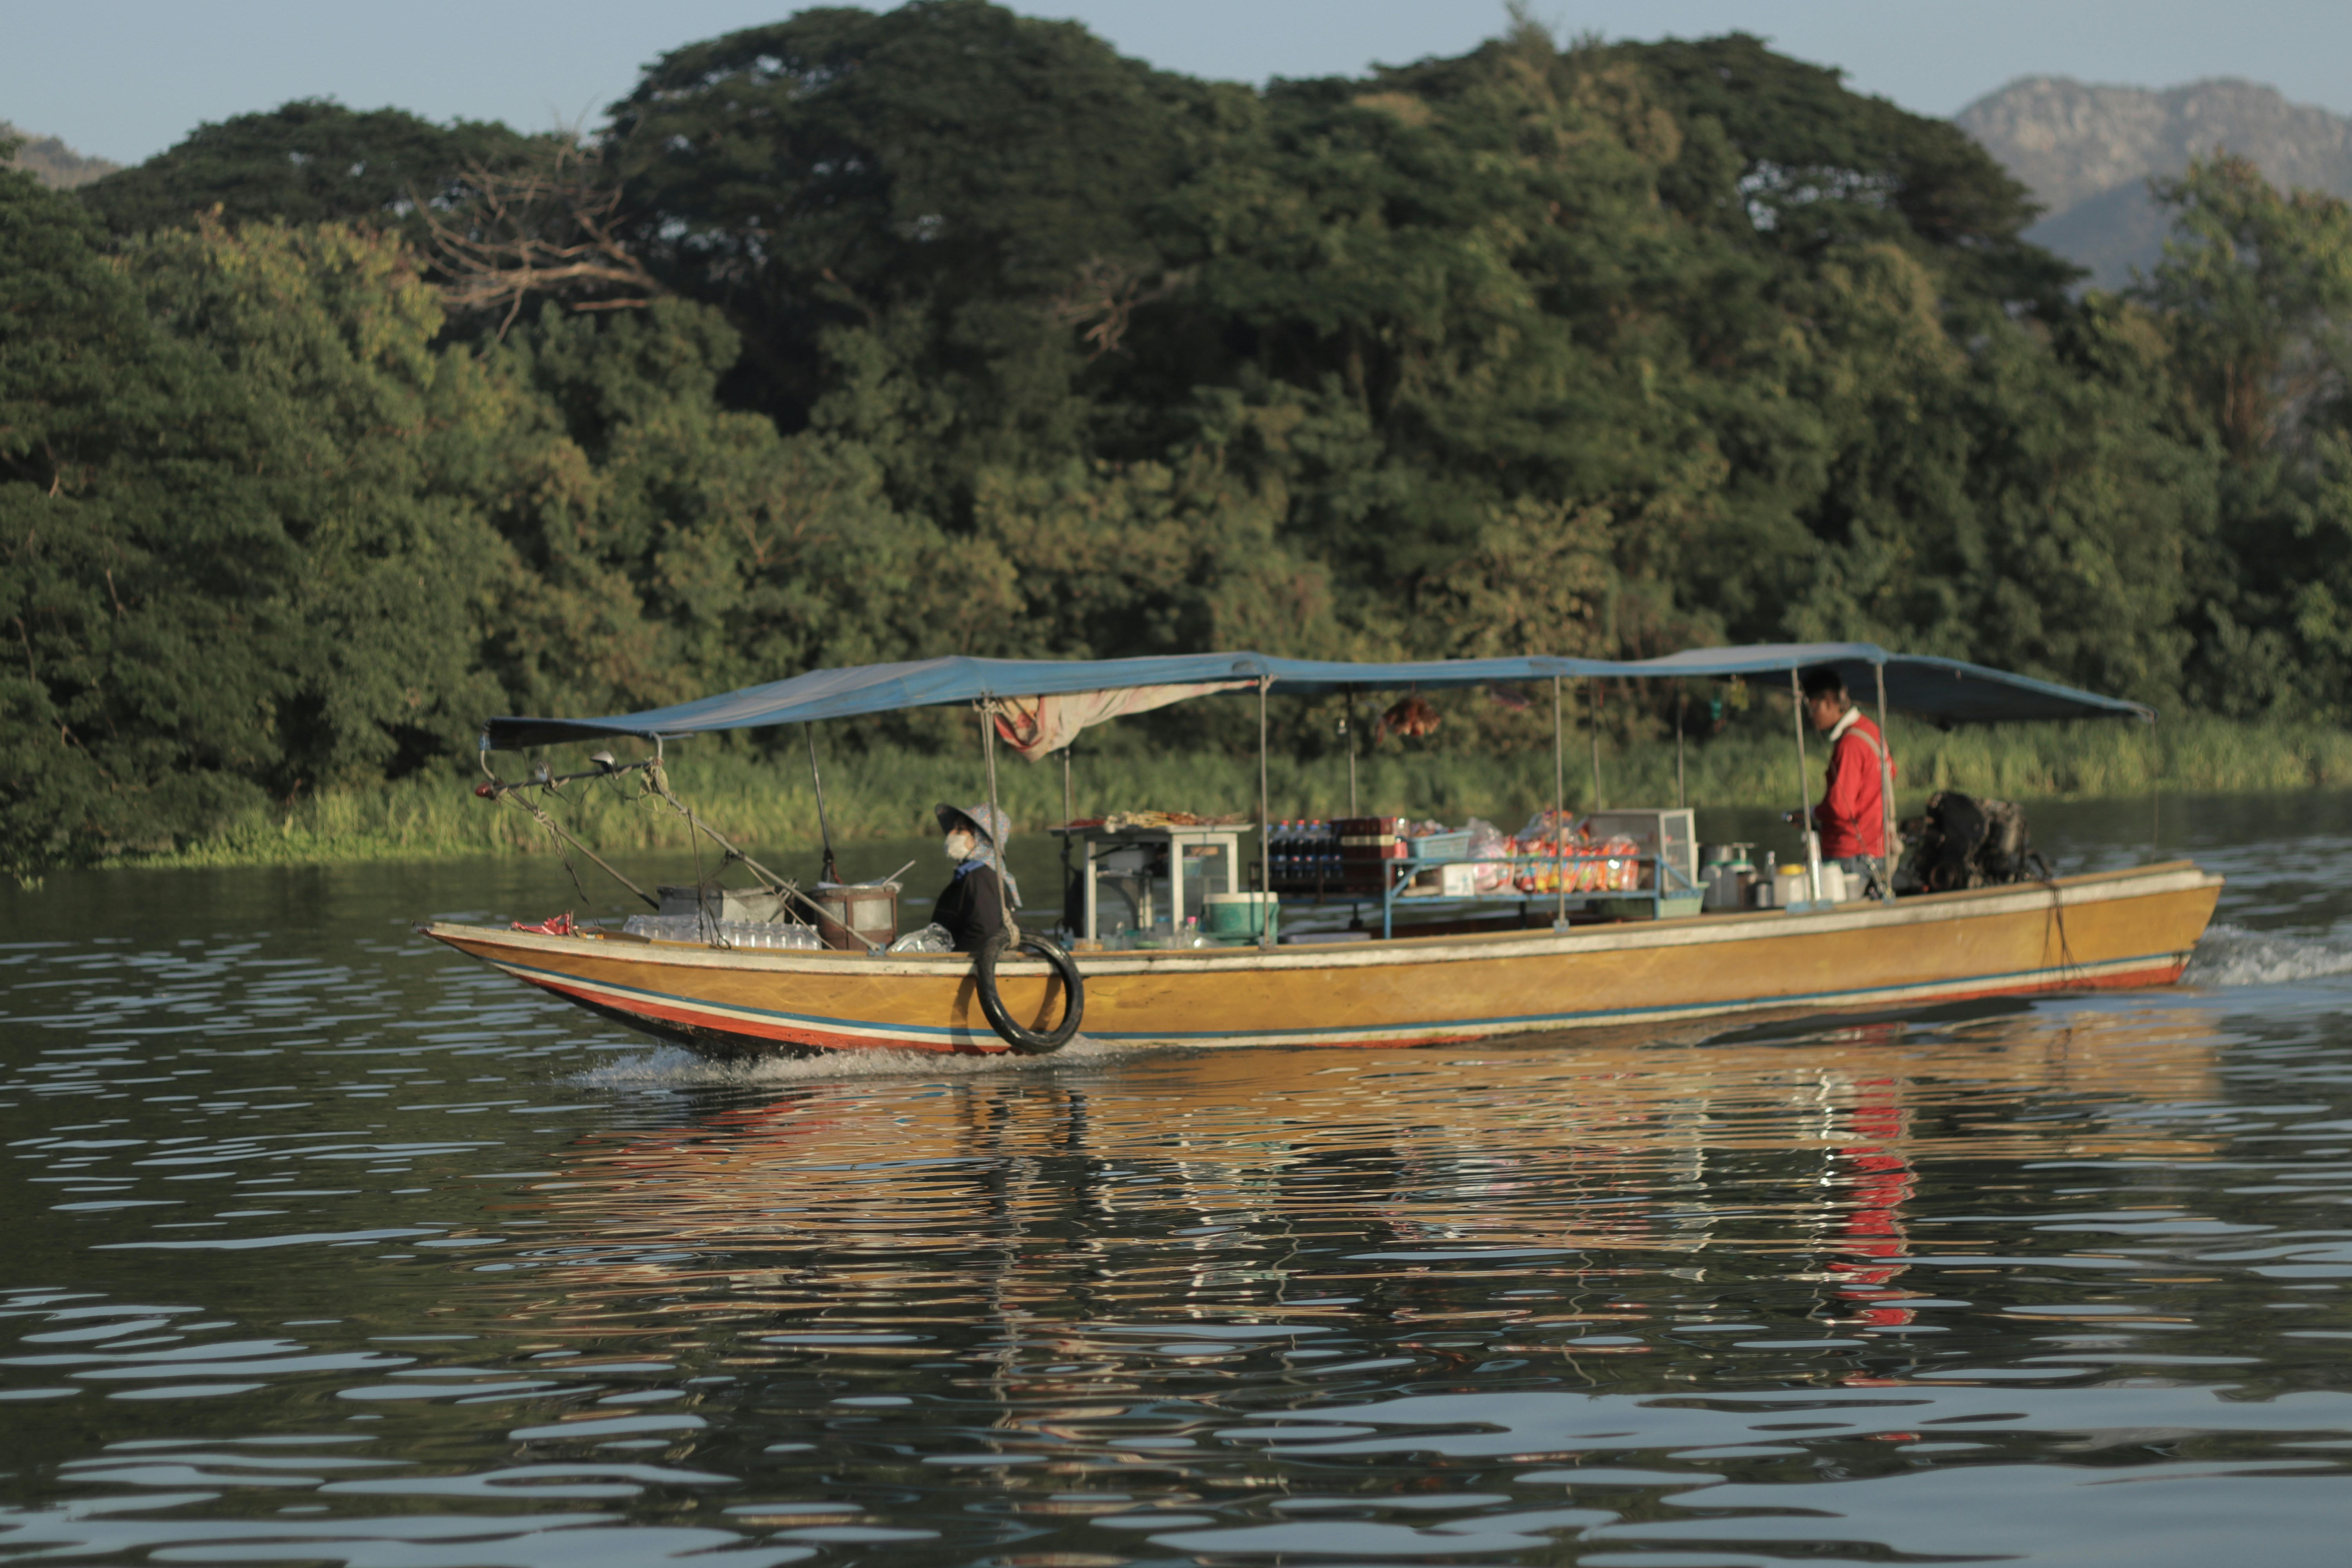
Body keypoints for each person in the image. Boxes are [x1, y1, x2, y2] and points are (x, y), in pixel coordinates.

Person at [1792, 665, 1895, 896]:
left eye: (1811, 706)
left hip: (1850, 856)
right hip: (1878, 851)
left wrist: (1812, 813)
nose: (1810, 715)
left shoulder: (1849, 744)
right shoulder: (1871, 731)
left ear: (1828, 702)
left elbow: (1840, 808)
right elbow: (1891, 773)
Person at [930, 802, 1023, 954]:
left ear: (980, 839)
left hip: (977, 967)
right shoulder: (972, 875)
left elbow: (986, 932)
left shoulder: (981, 877)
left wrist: (954, 958)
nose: (952, 833)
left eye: (960, 829)